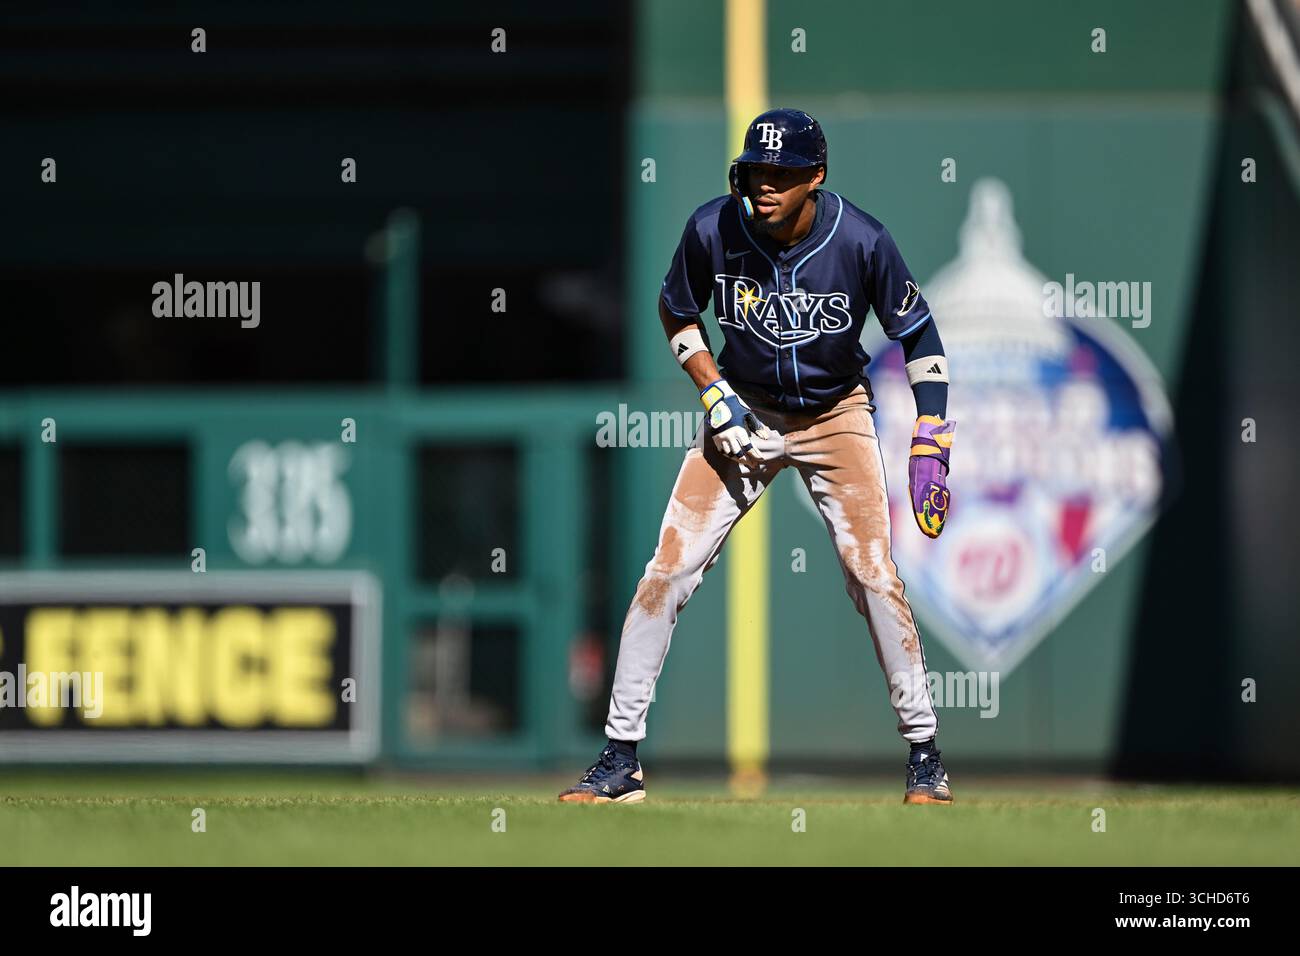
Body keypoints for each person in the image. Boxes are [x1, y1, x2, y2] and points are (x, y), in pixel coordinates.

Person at [559, 108, 956, 806]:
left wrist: (932, 437)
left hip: (835, 415)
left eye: (784, 173)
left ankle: (926, 757)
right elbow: (677, 311)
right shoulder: (713, 227)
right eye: (758, 171)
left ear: (816, 177)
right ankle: (620, 760)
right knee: (667, 570)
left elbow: (919, 337)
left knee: (872, 575)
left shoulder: (860, 239)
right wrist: (712, 391)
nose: (766, 185)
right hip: (741, 410)